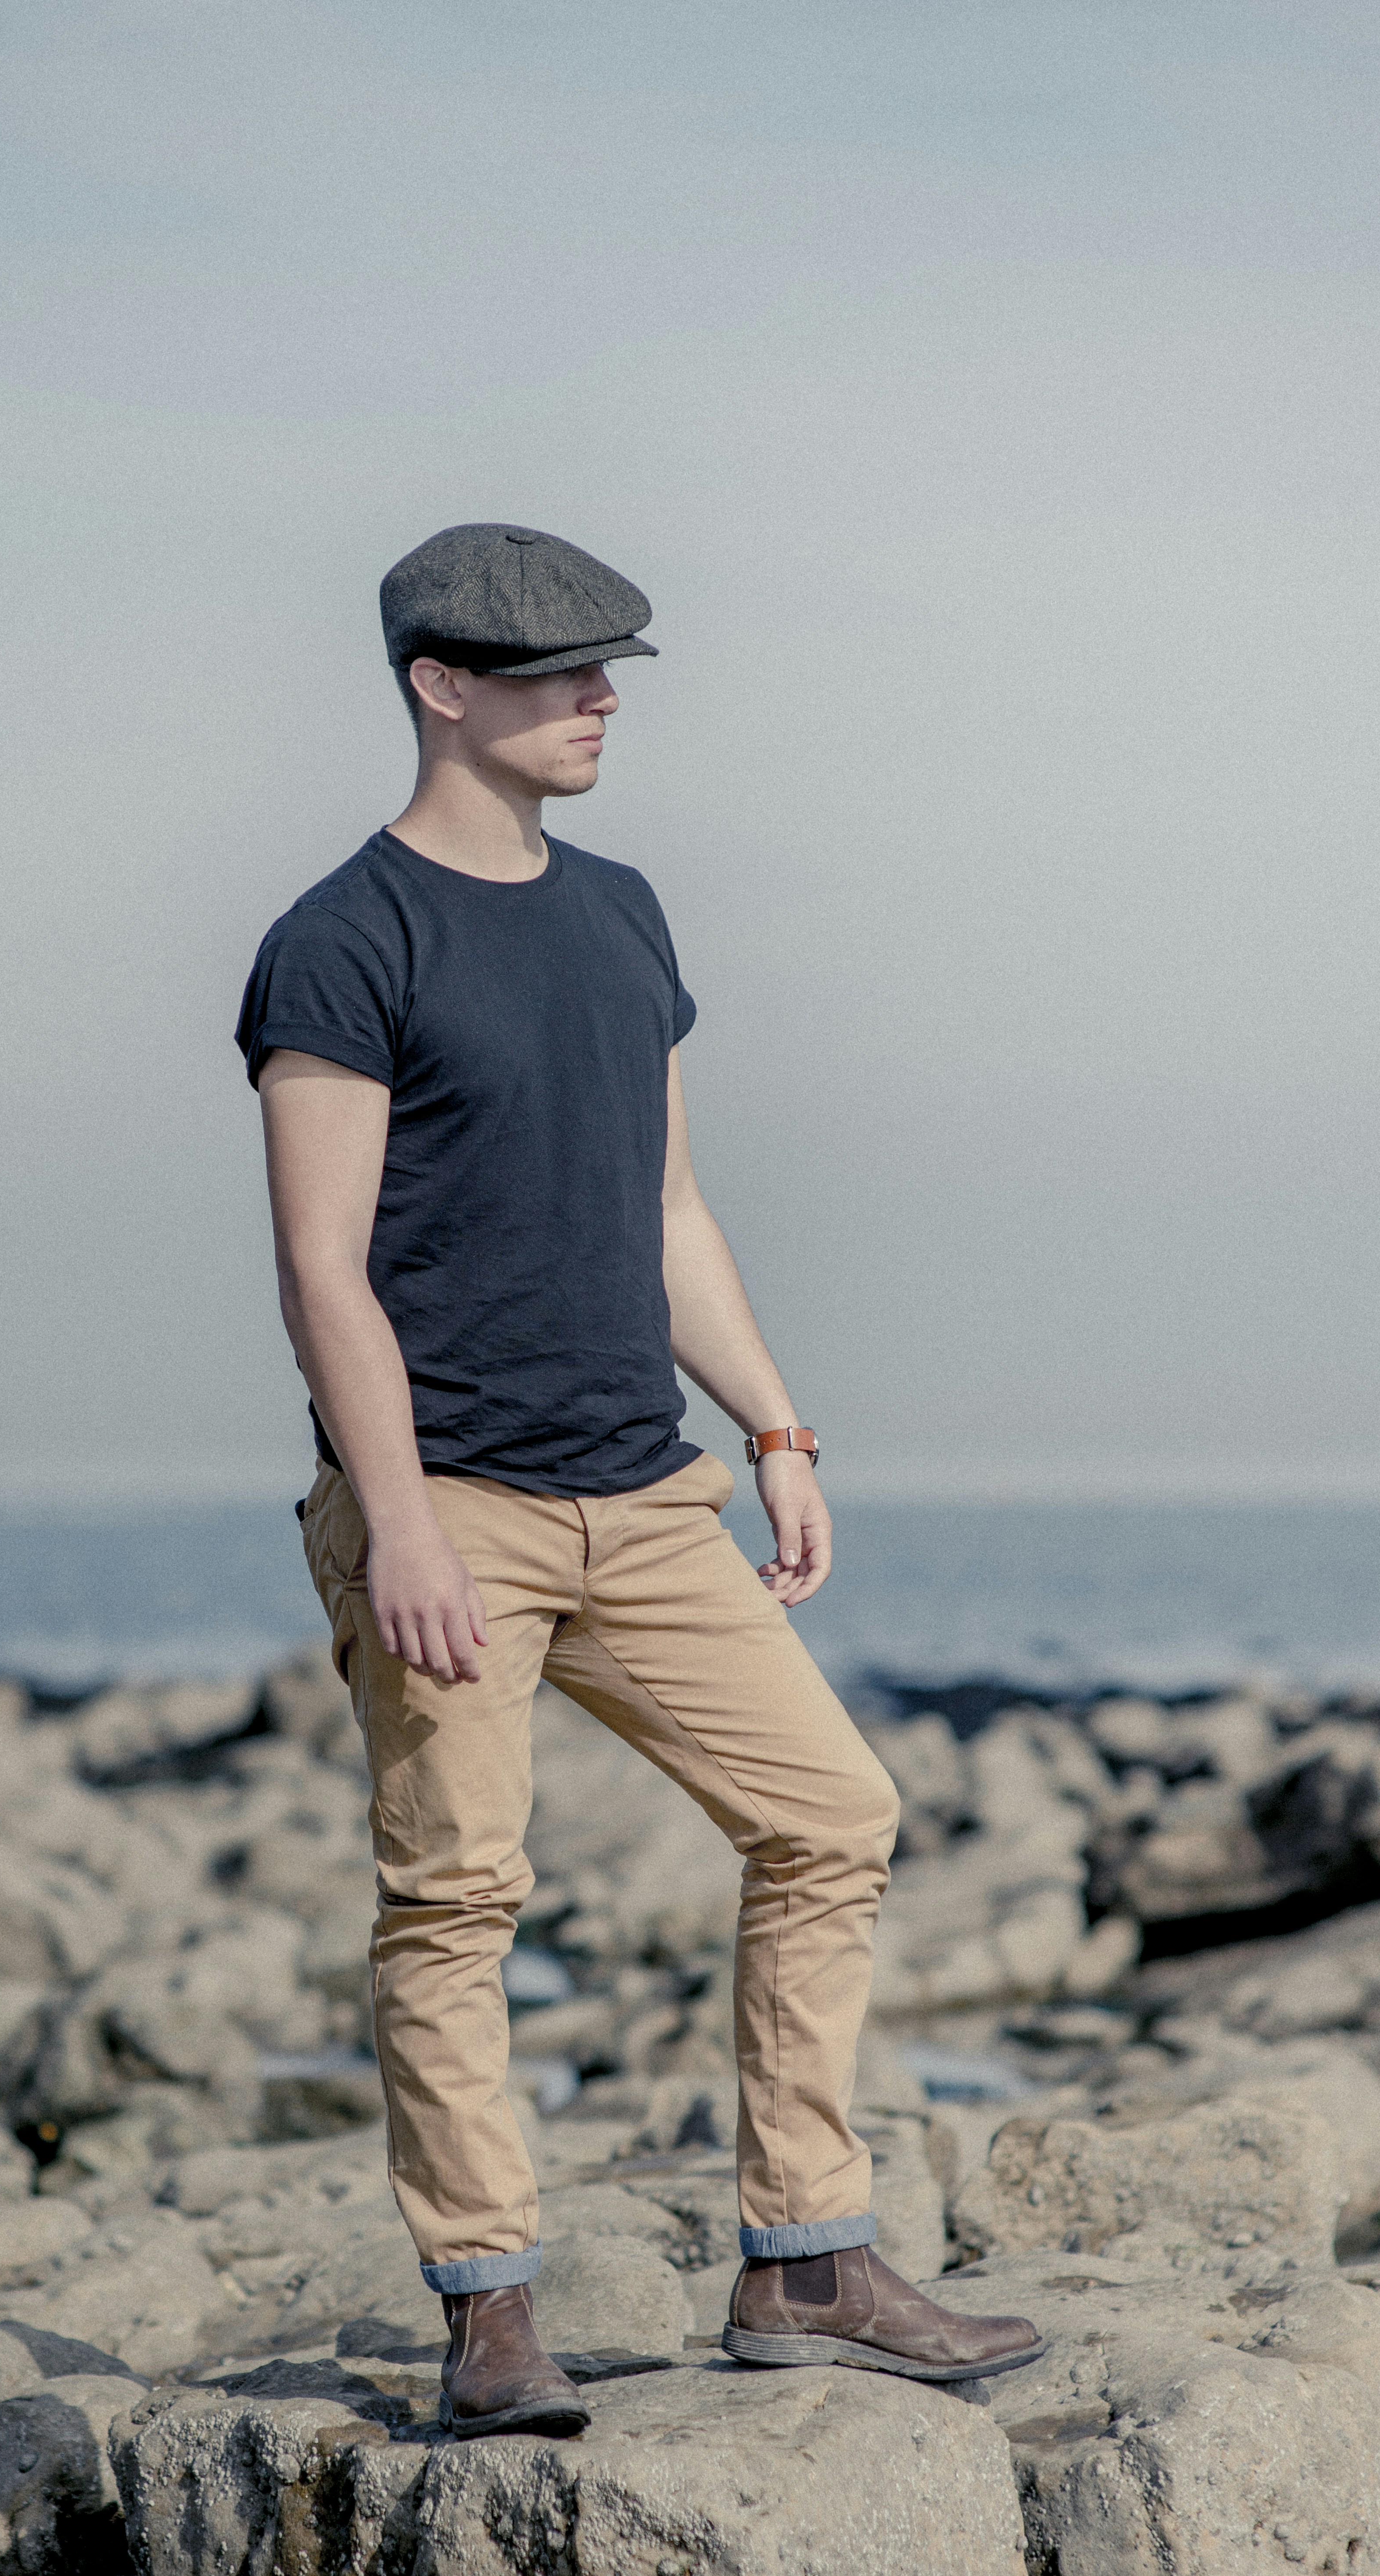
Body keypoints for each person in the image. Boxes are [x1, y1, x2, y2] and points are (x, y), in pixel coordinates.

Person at [236, 522, 1042, 2437]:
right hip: (458, 1515)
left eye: (614, 668)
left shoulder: (625, 915)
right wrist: (404, 1518)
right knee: (455, 1899)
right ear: (443, 687)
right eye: (562, 671)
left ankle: (807, 2258)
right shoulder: (341, 941)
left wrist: (773, 1428)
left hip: (646, 1490)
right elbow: (319, 1266)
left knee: (834, 1815)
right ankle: (491, 2308)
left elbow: (667, 1204)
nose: (606, 697)